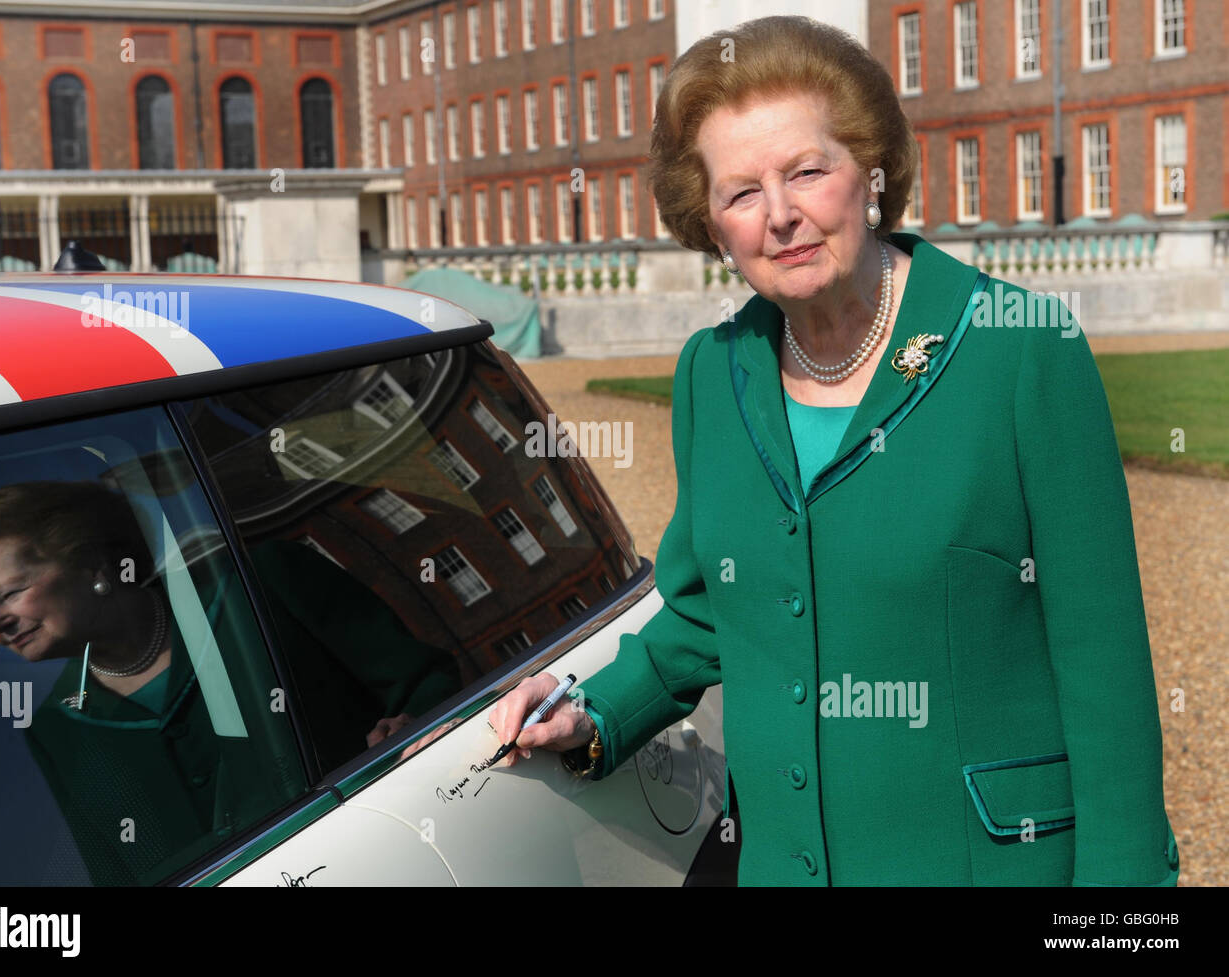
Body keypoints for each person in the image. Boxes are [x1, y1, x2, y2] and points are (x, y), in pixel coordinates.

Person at [489, 15, 1179, 886]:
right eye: (741, 193)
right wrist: (589, 711)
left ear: (871, 173)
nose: (781, 216)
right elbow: (713, 607)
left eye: (808, 172)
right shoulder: (714, 370)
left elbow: (1103, 669)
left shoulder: (1021, 348)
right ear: (711, 224)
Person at [0, 480, 459, 882]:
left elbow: (431, 689)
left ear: (92, 562)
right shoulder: (56, 726)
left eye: (9, 593)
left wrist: (404, 744)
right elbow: (115, 875)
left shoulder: (264, 584)